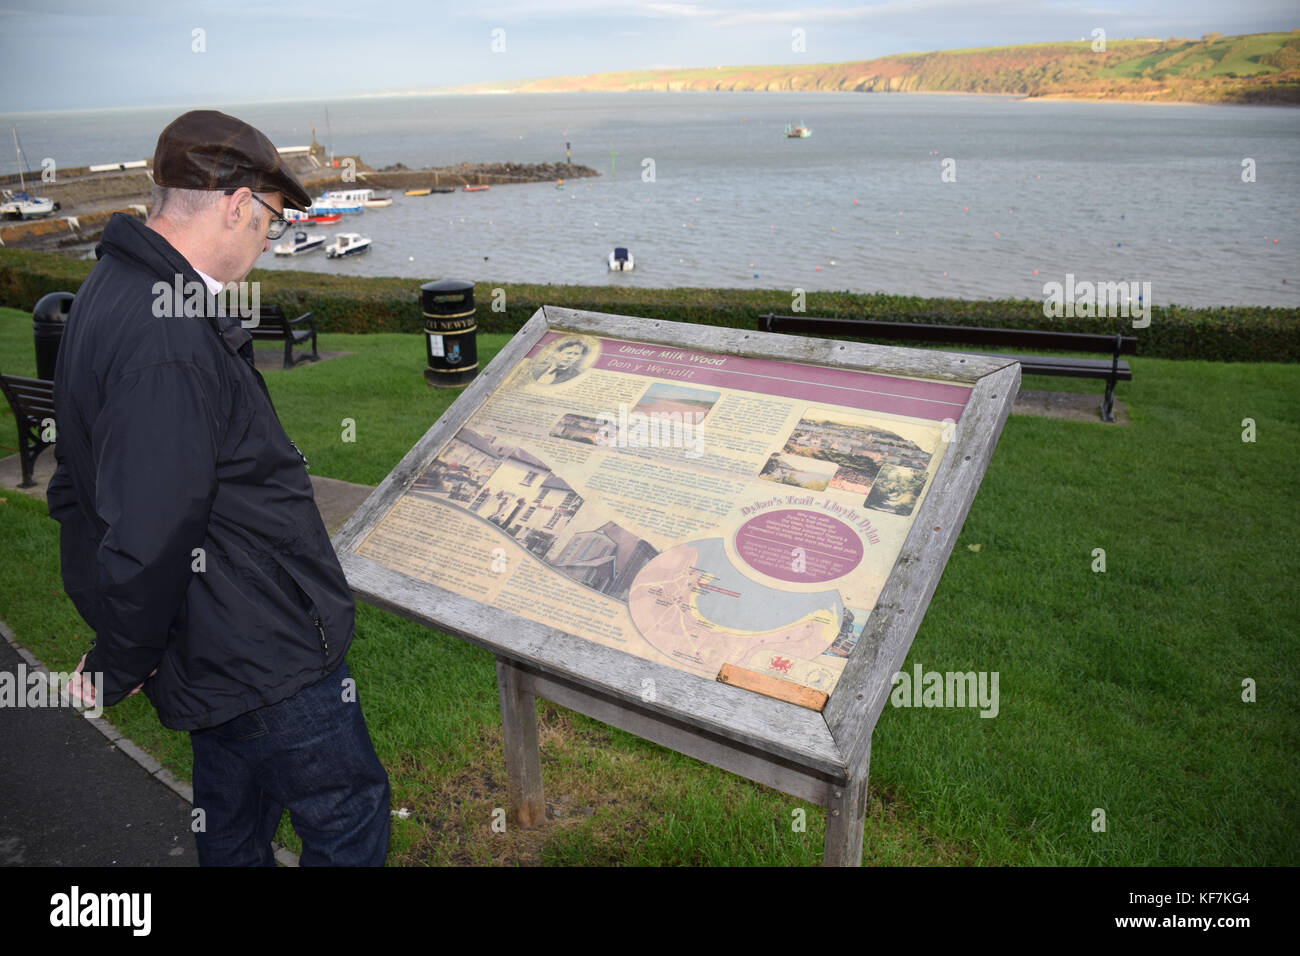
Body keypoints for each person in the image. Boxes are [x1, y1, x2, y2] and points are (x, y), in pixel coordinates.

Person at [47, 110, 390, 866]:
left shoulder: (113, 287)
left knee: (232, 829)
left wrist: (125, 641)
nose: (269, 237)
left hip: (208, 651)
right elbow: (151, 531)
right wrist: (117, 660)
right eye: (268, 219)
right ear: (235, 205)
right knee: (348, 821)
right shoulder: (164, 337)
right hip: (261, 649)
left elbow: (79, 487)